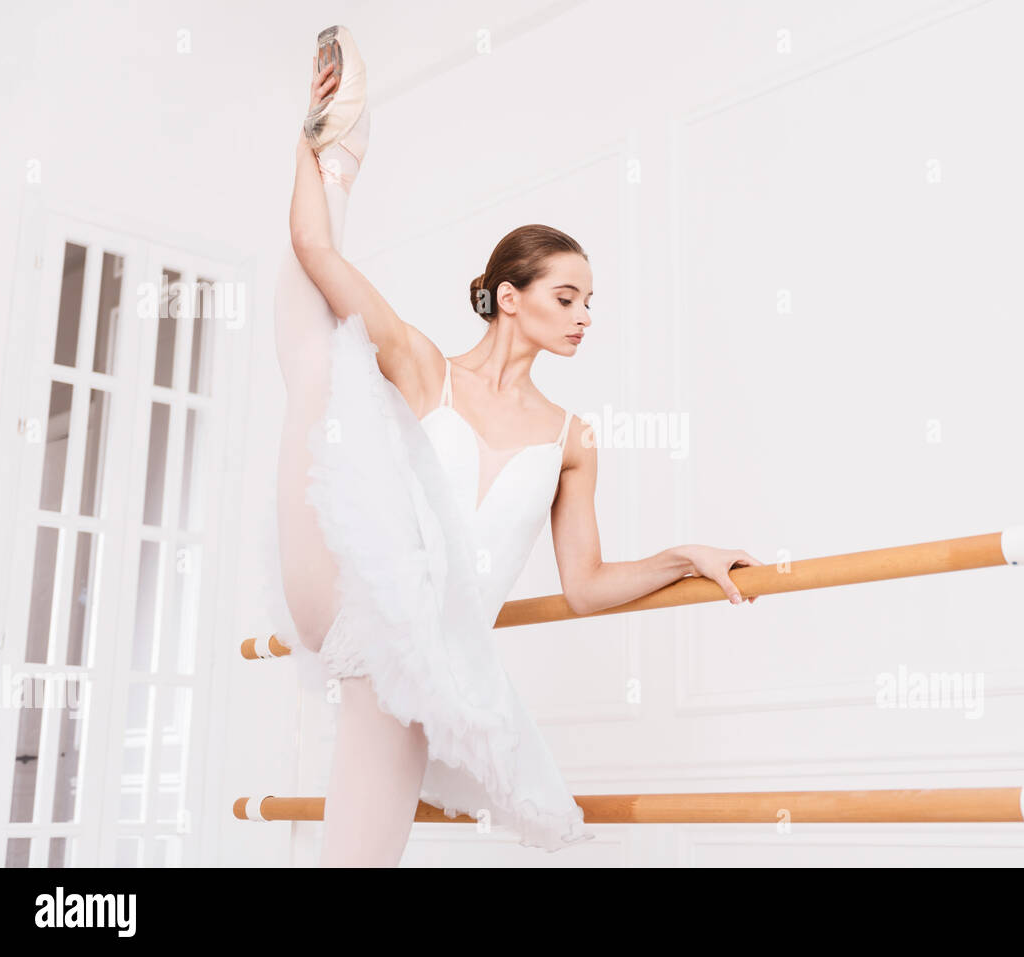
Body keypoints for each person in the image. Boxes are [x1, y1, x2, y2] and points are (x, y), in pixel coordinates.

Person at [264, 24, 761, 866]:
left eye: (590, 302)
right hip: (349, 586)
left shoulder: (573, 439)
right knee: (321, 358)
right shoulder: (426, 369)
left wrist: (684, 557)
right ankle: (344, 151)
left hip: (432, 653)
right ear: (508, 296)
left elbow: (586, 586)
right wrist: (312, 143)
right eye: (566, 296)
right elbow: (315, 252)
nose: (583, 317)